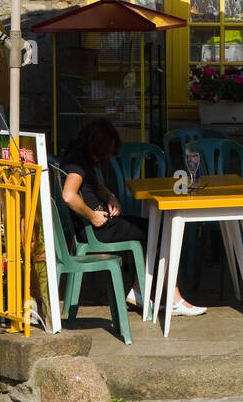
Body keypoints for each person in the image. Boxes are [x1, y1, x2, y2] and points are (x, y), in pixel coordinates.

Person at [60, 118, 205, 317]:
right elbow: (68, 195)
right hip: (98, 230)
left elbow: (96, 186)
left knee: (150, 230)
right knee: (162, 231)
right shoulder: (77, 163)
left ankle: (139, 290)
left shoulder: (78, 156)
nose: (107, 156)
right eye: (106, 151)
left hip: (99, 227)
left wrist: (110, 197)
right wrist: (92, 216)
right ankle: (173, 298)